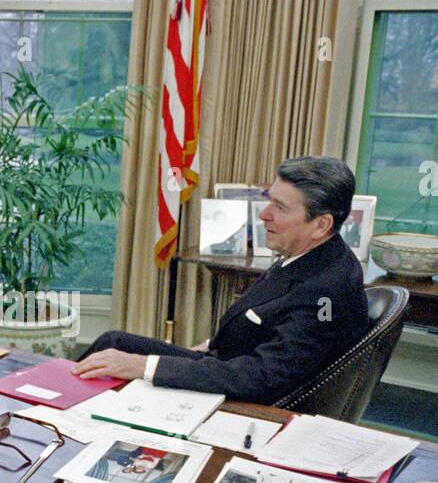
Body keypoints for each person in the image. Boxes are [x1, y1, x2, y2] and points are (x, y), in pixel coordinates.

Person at [74, 155, 371, 402]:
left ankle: (58, 412)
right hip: (225, 364)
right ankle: (57, 401)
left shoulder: (327, 291)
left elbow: (264, 378)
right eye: (270, 201)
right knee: (112, 343)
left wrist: (144, 366)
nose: (264, 214)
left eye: (280, 207)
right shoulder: (312, 256)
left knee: (118, 360)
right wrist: (199, 350)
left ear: (321, 224)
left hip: (246, 401)